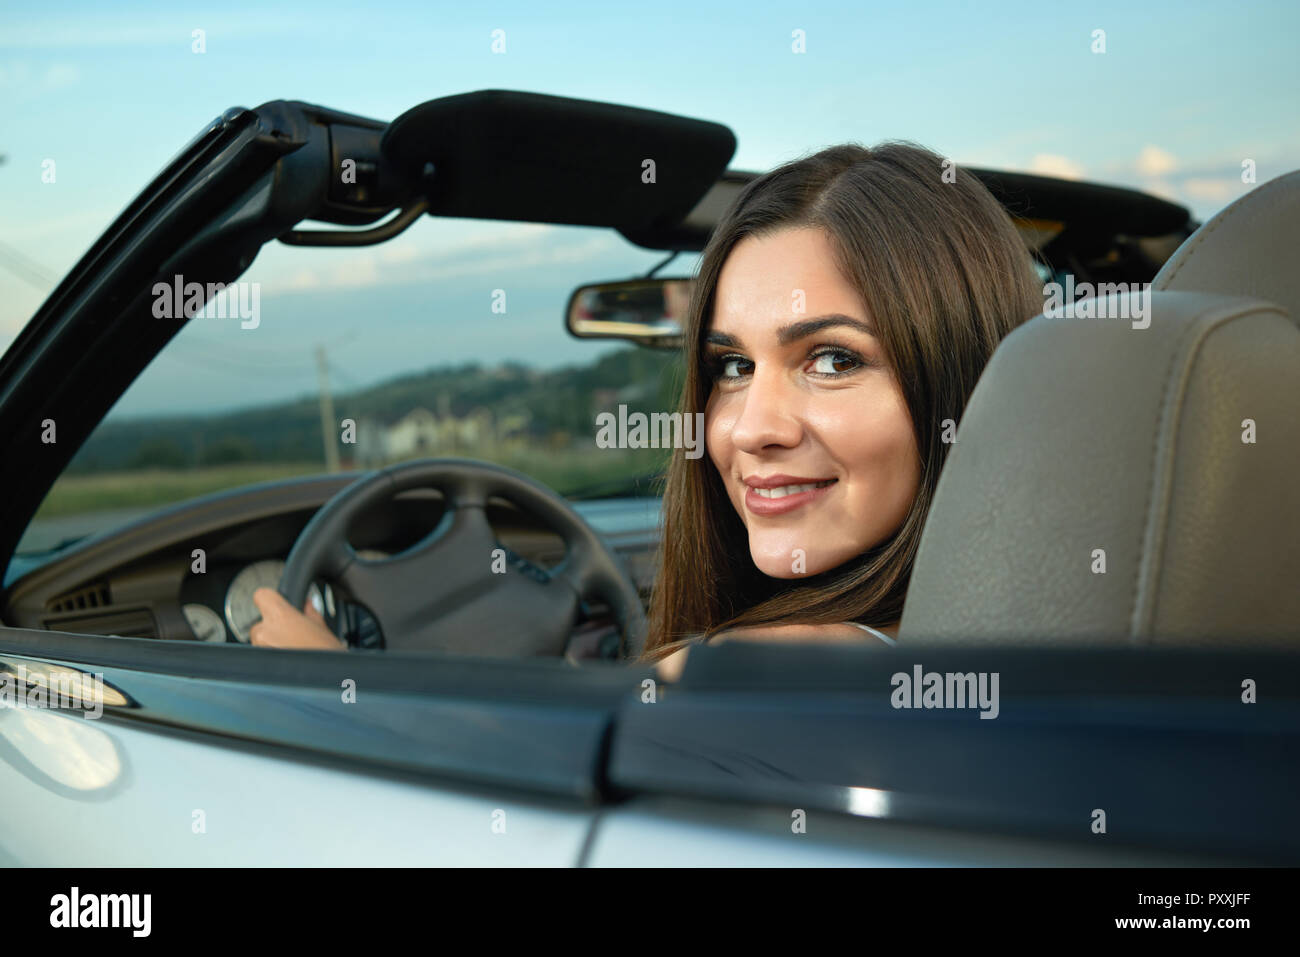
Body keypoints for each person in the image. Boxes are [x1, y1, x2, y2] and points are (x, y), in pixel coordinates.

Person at [250, 142, 1043, 677]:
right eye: (732, 366)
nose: (748, 427)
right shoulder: (1035, 643)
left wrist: (332, 681)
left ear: (967, 382)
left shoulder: (758, 675)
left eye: (831, 360)